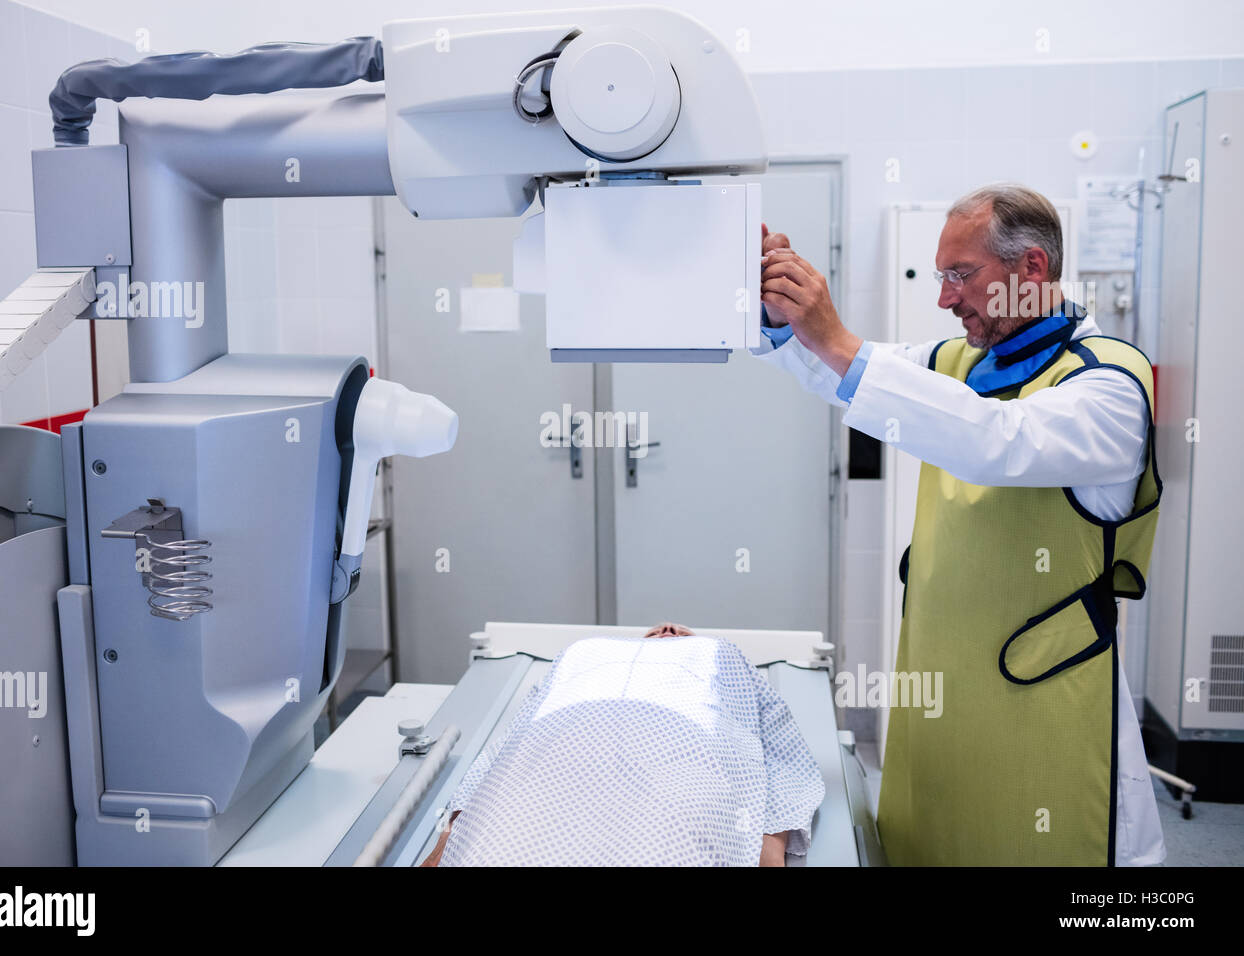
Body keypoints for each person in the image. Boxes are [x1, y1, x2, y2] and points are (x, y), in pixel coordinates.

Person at [756, 183, 1163, 866]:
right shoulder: (959, 363)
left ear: (1031, 269)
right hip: (946, 696)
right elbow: (847, 378)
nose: (945, 298)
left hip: (1048, 705)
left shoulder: (1109, 385)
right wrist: (784, 320)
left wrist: (839, 339)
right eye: (942, 275)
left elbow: (998, 441)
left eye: (960, 275)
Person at [420, 623, 825, 867]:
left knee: (670, 840)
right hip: (560, 743)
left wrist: (768, 849)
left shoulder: (720, 655)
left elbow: (779, 748)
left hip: (681, 747)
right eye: (658, 630)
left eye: (681, 630)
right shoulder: (583, 653)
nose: (668, 628)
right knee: (500, 834)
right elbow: (511, 743)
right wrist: (453, 835)